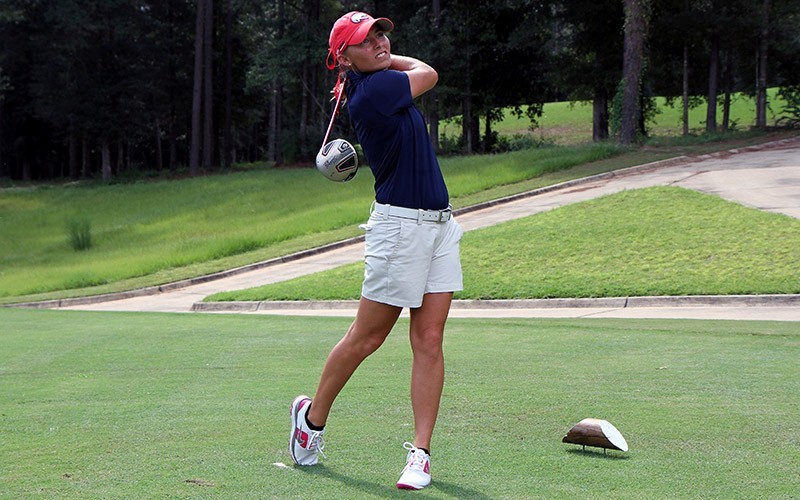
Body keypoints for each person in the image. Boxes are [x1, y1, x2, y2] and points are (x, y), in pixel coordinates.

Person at [289, 11, 463, 491]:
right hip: (399, 229)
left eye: (382, 34)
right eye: (367, 40)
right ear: (345, 56)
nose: (381, 43)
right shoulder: (375, 91)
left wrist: (365, 62)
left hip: (440, 225)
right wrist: (363, 69)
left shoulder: (375, 82)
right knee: (367, 338)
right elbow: (427, 72)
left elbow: (412, 74)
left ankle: (421, 455)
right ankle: (311, 419)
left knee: (429, 341)